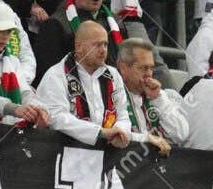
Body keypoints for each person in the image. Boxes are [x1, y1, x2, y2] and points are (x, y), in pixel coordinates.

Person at [36, 21, 147, 150]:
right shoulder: (55, 75)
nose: (103, 50)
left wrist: (120, 132)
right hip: (65, 153)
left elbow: (123, 116)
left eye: (105, 44)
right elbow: (56, 118)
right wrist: (99, 132)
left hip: (106, 156)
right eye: (97, 45)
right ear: (78, 47)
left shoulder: (113, 74)